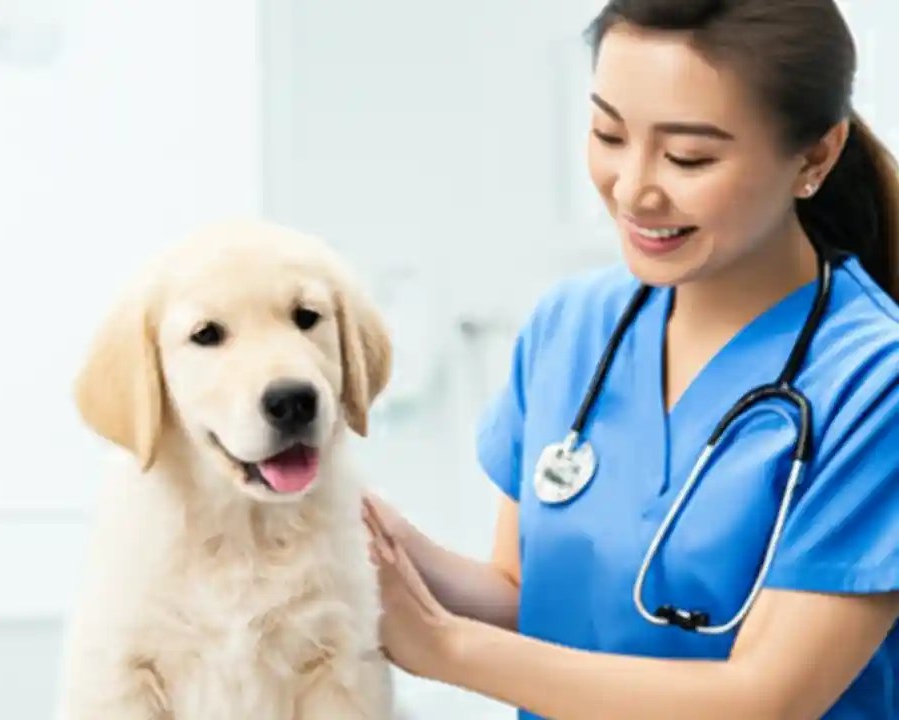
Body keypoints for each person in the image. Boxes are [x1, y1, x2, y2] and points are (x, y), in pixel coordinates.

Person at [361, 1, 899, 718]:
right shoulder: (571, 326)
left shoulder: (874, 381)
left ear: (814, 157)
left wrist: (442, 647)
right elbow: (529, 599)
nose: (633, 188)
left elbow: (764, 700)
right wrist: (366, 536)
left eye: (688, 157)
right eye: (608, 133)